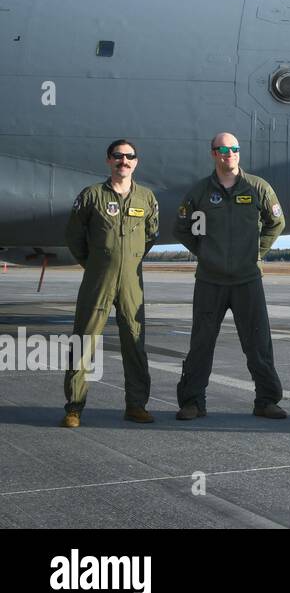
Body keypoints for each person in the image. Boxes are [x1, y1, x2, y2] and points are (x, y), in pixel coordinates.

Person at [173, 132, 286, 420]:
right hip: (210, 280)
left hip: (248, 279)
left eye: (234, 148)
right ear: (213, 153)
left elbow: (276, 223)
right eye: (223, 149)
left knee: (258, 342)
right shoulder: (199, 191)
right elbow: (181, 228)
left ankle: (266, 400)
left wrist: (257, 252)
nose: (229, 153)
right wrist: (205, 252)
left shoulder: (257, 187)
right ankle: (192, 402)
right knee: (201, 342)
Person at [60, 139, 159, 428]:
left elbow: (150, 235)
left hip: (131, 281)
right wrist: (95, 263)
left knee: (135, 341)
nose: (124, 161)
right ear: (108, 160)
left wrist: (130, 259)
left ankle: (136, 405)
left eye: (129, 156)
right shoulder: (91, 196)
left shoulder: (146, 199)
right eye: (118, 156)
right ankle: (74, 408)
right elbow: (74, 236)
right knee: (84, 339)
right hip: (98, 279)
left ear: (136, 162)